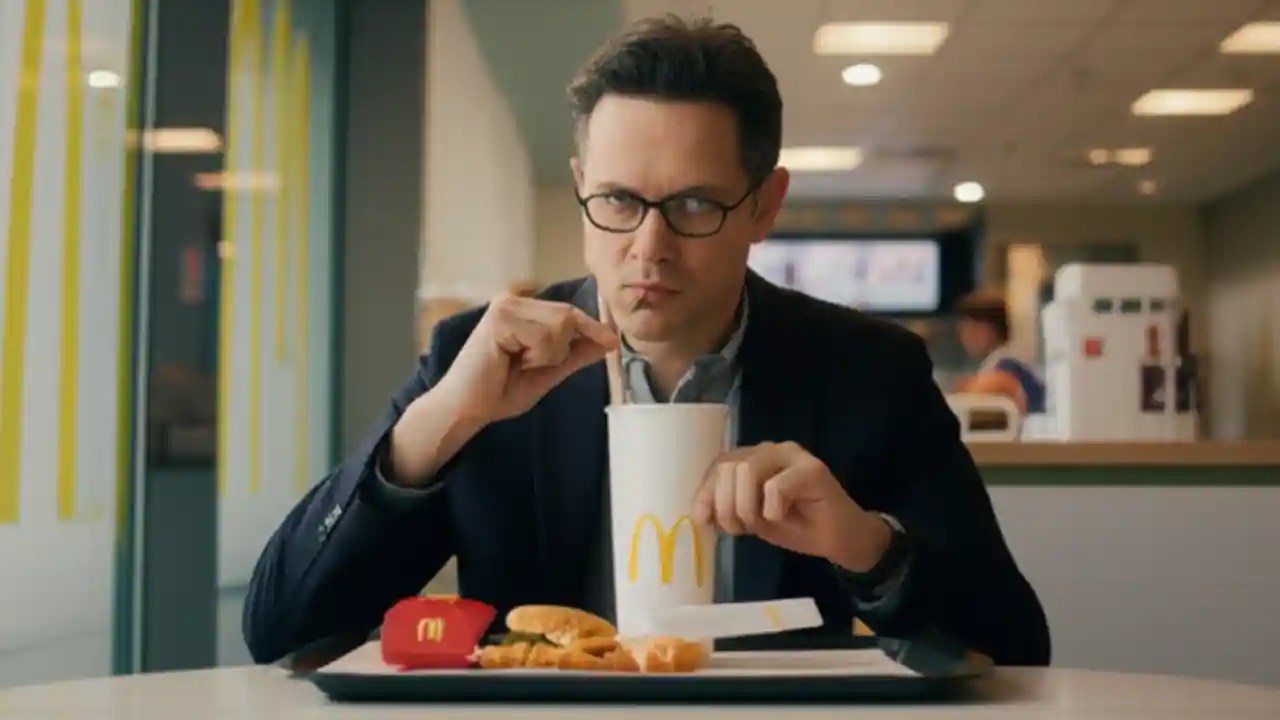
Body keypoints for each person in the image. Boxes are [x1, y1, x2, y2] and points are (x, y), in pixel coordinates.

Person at [243, 16, 1050, 668]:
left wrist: (865, 545)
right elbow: (280, 628)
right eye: (618, 201)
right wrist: (440, 422)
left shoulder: (867, 371)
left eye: (694, 205)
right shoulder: (478, 362)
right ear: (581, 187)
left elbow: (1016, 648)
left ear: (765, 206)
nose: (648, 249)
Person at [953, 290, 1047, 414]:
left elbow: (985, 388)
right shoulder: (997, 362)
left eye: (973, 328)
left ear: (994, 330)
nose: (967, 336)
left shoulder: (1008, 364)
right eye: (964, 329)